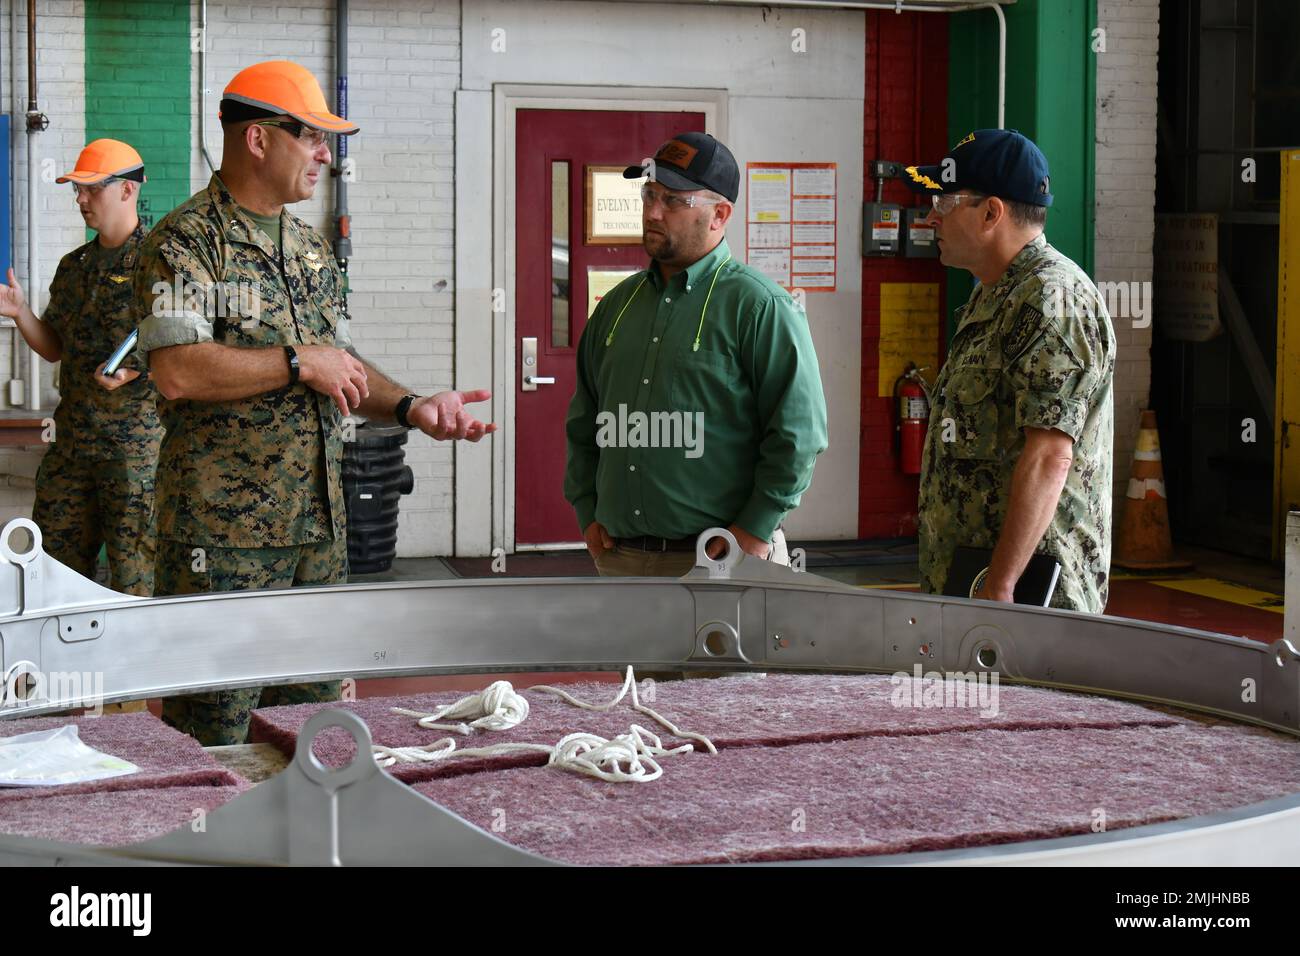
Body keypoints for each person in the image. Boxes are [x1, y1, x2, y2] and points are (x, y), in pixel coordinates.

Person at [133, 61, 495, 745]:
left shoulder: (310, 251)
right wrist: (299, 363)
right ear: (259, 140)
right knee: (217, 737)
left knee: (314, 731)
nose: (327, 155)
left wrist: (415, 406)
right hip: (223, 546)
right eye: (311, 136)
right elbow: (178, 371)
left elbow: (345, 368)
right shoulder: (184, 243)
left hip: (319, 538)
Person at [565, 132, 828, 578]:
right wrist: (587, 510)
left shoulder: (760, 307)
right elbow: (585, 420)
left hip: (723, 559)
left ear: (719, 214)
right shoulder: (616, 306)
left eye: (672, 201)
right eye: (649, 194)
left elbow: (798, 435)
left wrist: (753, 532)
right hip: (621, 558)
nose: (652, 211)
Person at [904, 129, 1115, 612]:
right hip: (971, 582)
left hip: (1028, 597)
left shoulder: (1051, 301)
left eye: (945, 201)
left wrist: (1000, 588)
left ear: (991, 213)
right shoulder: (994, 292)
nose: (930, 216)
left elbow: (1050, 455)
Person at [0, 139, 161, 597]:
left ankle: (131, 669)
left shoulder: (161, 266)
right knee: (51, 574)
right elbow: (55, 348)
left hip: (133, 456)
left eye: (91, 188)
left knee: (134, 582)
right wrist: (21, 314)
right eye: (77, 190)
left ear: (128, 191)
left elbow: (193, 356)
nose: (81, 199)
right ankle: (59, 667)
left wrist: (140, 374)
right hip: (72, 448)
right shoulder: (76, 266)